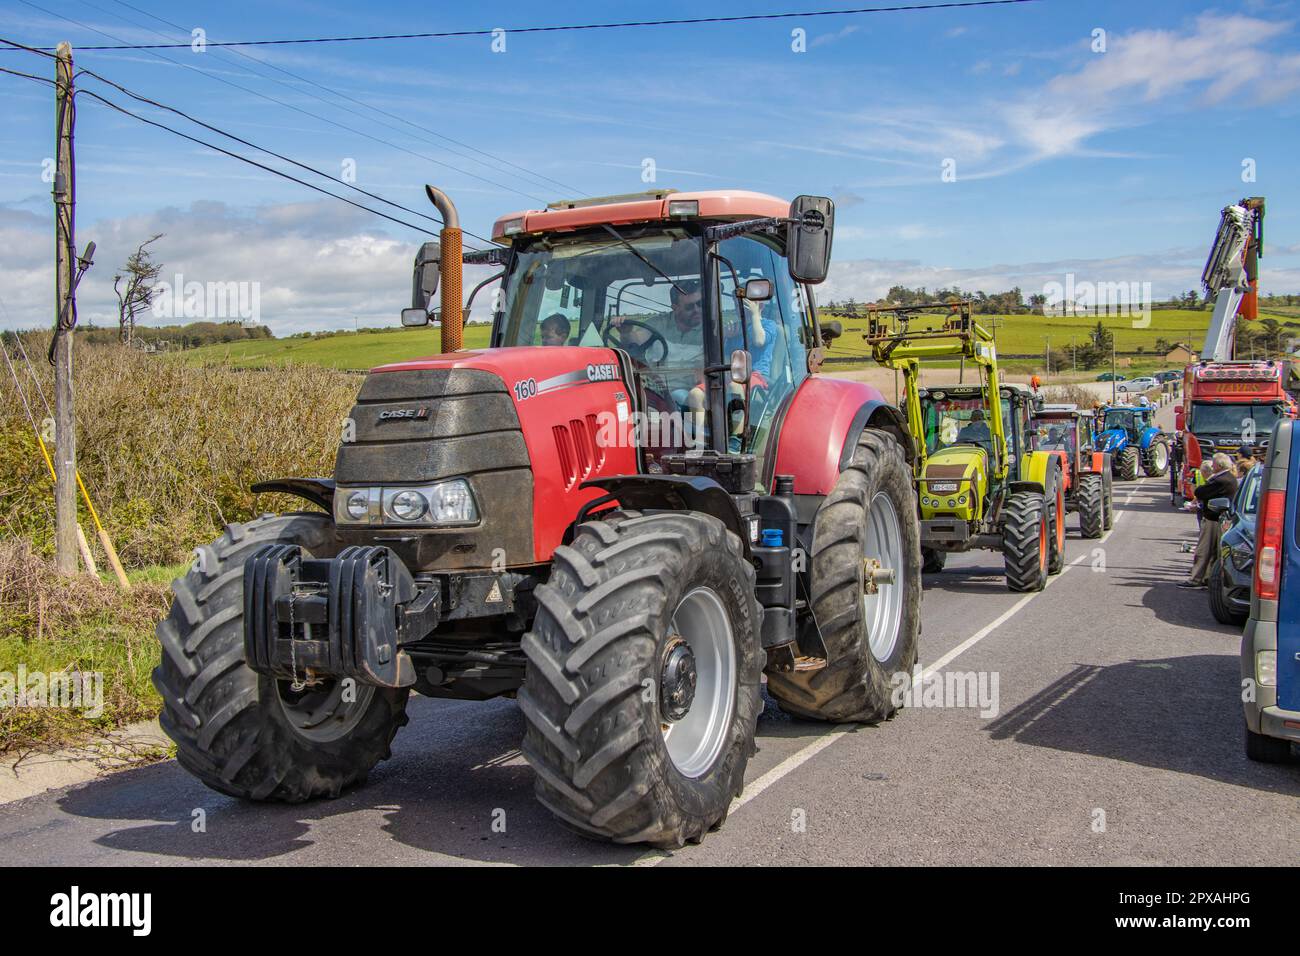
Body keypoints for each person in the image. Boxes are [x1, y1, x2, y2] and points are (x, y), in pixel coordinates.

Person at [1179, 453, 1238, 589]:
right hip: (1218, 518)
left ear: (1218, 465)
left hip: (1213, 519)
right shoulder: (1227, 478)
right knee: (1213, 552)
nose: (1212, 466)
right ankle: (1208, 578)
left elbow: (1200, 492)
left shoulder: (1221, 480)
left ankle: (1196, 579)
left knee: (1203, 550)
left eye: (1214, 464)